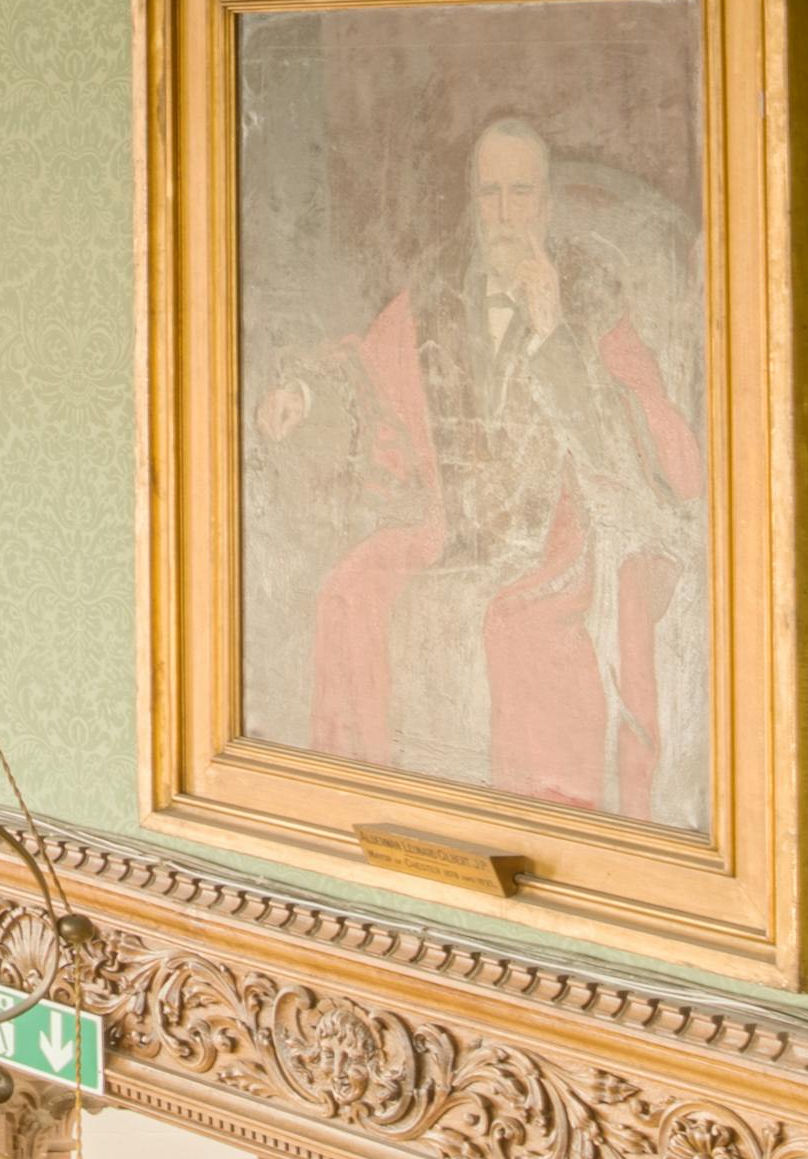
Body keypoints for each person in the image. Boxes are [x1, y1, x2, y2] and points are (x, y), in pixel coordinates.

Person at [267, 107, 708, 826]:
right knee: (349, 587)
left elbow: (658, 444)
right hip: (457, 519)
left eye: (521, 193)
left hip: (561, 530)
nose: (505, 214)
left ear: (549, 201)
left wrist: (553, 333)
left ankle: (549, 831)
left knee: (524, 631)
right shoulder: (440, 288)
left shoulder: (588, 291)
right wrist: (303, 393)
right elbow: (369, 367)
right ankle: (363, 810)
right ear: (473, 201)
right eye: (490, 194)